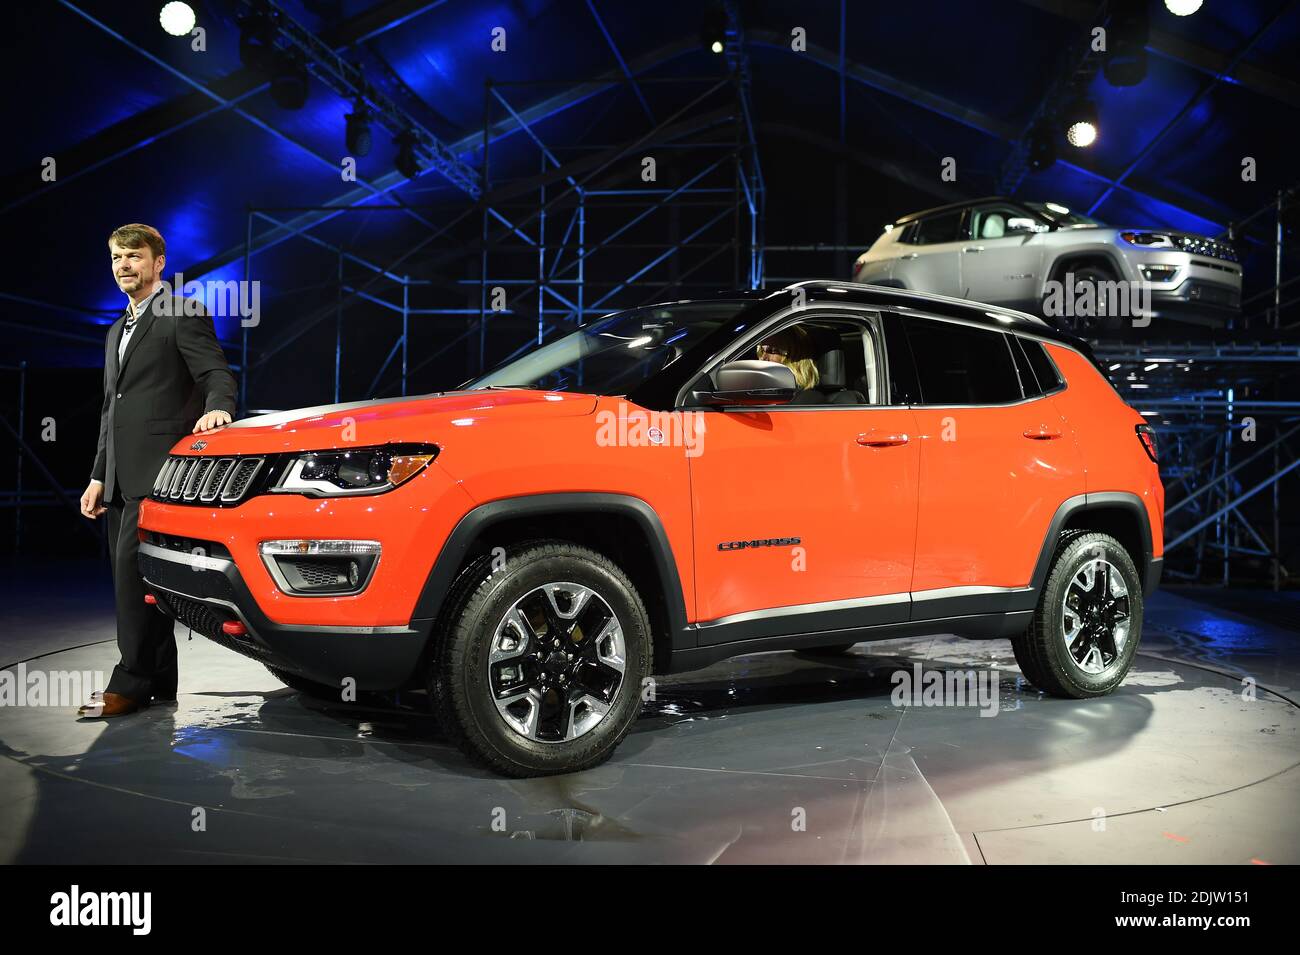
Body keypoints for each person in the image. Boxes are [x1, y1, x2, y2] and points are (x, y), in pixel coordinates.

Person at [77, 224, 238, 718]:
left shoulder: (180, 312)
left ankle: (129, 683)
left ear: (158, 262)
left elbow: (216, 373)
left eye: (134, 256)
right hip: (121, 479)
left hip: (161, 476)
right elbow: (112, 409)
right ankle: (159, 683)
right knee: (143, 586)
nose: (124, 264)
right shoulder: (114, 330)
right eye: (116, 257)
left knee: (131, 581)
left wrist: (220, 410)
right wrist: (99, 475)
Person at [756, 325, 819, 391]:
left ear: (795, 357)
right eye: (762, 350)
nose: (763, 358)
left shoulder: (807, 398)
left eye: (773, 350)